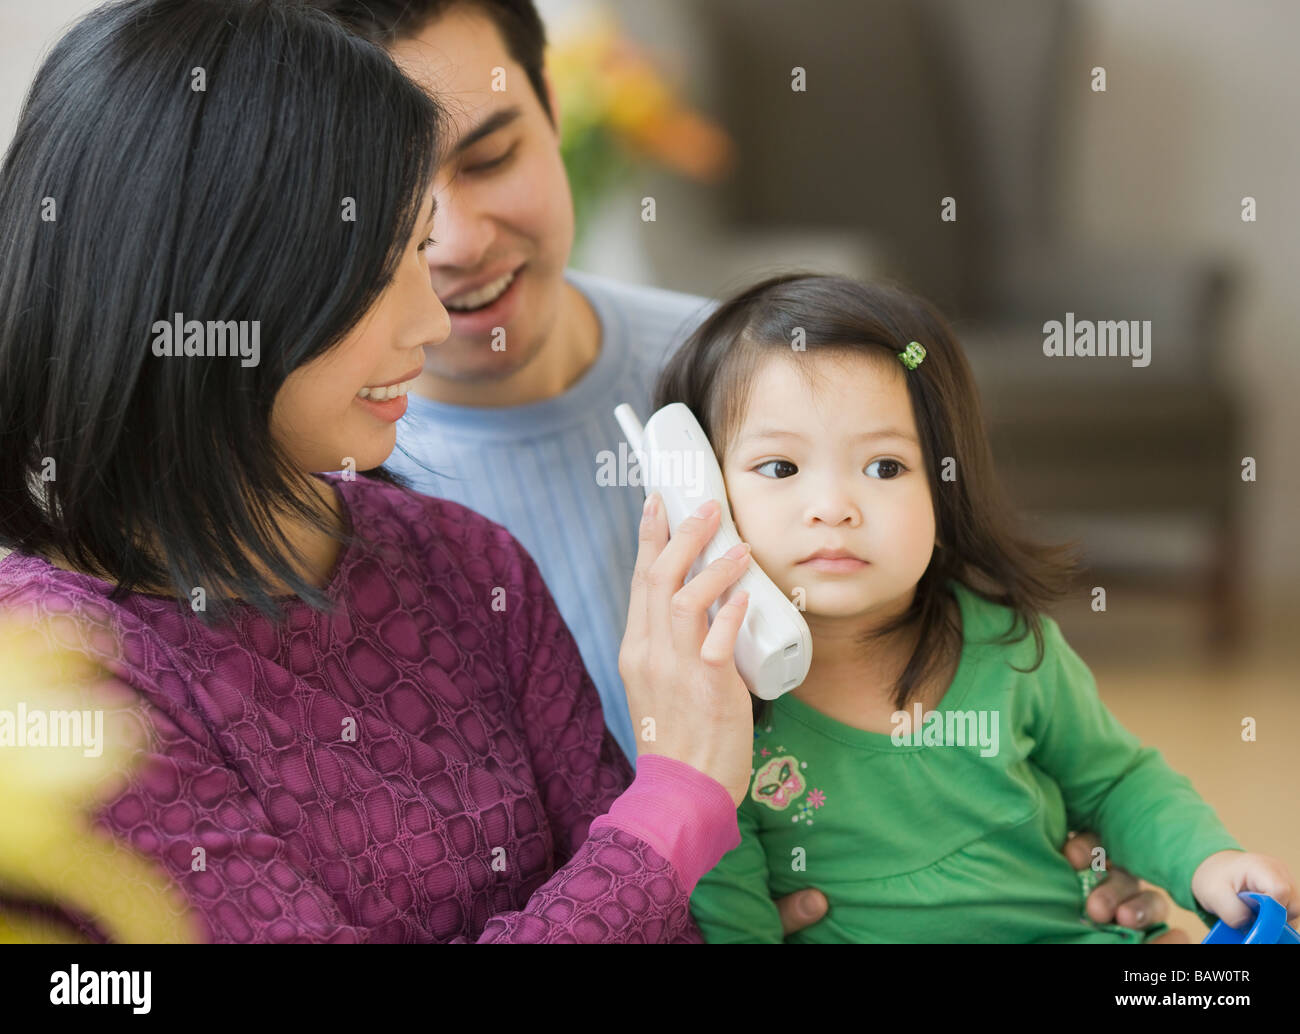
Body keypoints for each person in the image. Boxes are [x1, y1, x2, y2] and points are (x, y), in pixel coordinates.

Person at [309, 0, 1190, 940]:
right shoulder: (310, 478)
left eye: (490, 158)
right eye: (397, 201)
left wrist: (1074, 855)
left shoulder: (768, 372)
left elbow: (1007, 709)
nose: (459, 239)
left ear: (557, 119)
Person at [0, 0, 747, 943]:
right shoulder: (50, 667)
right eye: (374, 269)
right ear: (209, 290)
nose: (432, 324)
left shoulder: (469, 566)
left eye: (418, 251)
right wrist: (673, 806)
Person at [644, 273, 1297, 942]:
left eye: (886, 467)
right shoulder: (715, 714)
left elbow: (1117, 782)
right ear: (701, 492)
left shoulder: (1007, 644)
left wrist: (1209, 862)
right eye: (781, 468)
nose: (834, 507)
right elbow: (732, 916)